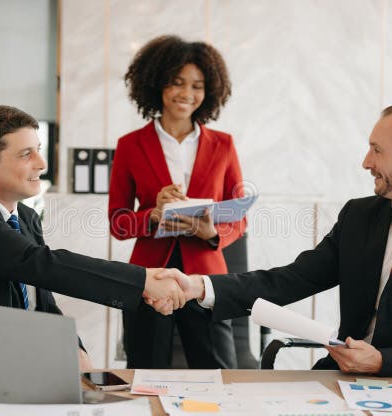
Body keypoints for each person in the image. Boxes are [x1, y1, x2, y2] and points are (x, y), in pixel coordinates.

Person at [171, 103, 392, 376]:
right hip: (342, 379)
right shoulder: (359, 217)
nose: (366, 162)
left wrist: (381, 361)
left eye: (376, 150)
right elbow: (288, 281)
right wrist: (199, 287)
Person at [0, 105, 186, 416]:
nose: (42, 164)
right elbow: (38, 263)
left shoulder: (26, 218)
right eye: (26, 154)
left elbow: (42, 299)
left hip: (14, 371)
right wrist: (142, 282)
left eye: (39, 150)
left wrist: (75, 348)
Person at [108, 35, 246, 369]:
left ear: (209, 90)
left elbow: (239, 215)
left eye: (197, 86)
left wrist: (212, 232)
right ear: (157, 84)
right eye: (177, 83)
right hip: (149, 276)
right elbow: (118, 221)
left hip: (206, 279)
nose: (187, 94)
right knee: (145, 372)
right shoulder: (130, 145)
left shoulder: (223, 145)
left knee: (218, 373)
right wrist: (152, 215)